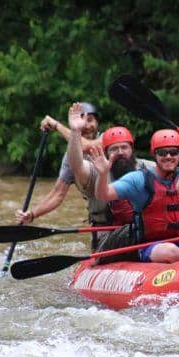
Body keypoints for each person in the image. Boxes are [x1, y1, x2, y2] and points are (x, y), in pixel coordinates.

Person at [92, 129, 179, 263]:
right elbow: (103, 195)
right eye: (162, 152)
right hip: (151, 246)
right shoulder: (138, 179)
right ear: (154, 154)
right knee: (171, 251)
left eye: (173, 152)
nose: (168, 156)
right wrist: (102, 174)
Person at [64, 102, 148, 252]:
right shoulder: (95, 171)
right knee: (139, 227)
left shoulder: (146, 167)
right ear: (106, 152)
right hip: (106, 239)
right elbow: (76, 165)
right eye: (114, 149)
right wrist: (75, 132)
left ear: (132, 149)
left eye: (124, 147)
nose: (120, 152)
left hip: (143, 234)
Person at [15, 102, 100, 225]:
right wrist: (32, 214)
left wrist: (56, 125)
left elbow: (86, 146)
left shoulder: (108, 139)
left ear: (97, 123)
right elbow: (58, 194)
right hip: (100, 221)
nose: (85, 125)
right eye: (80, 120)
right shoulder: (71, 157)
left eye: (90, 120)